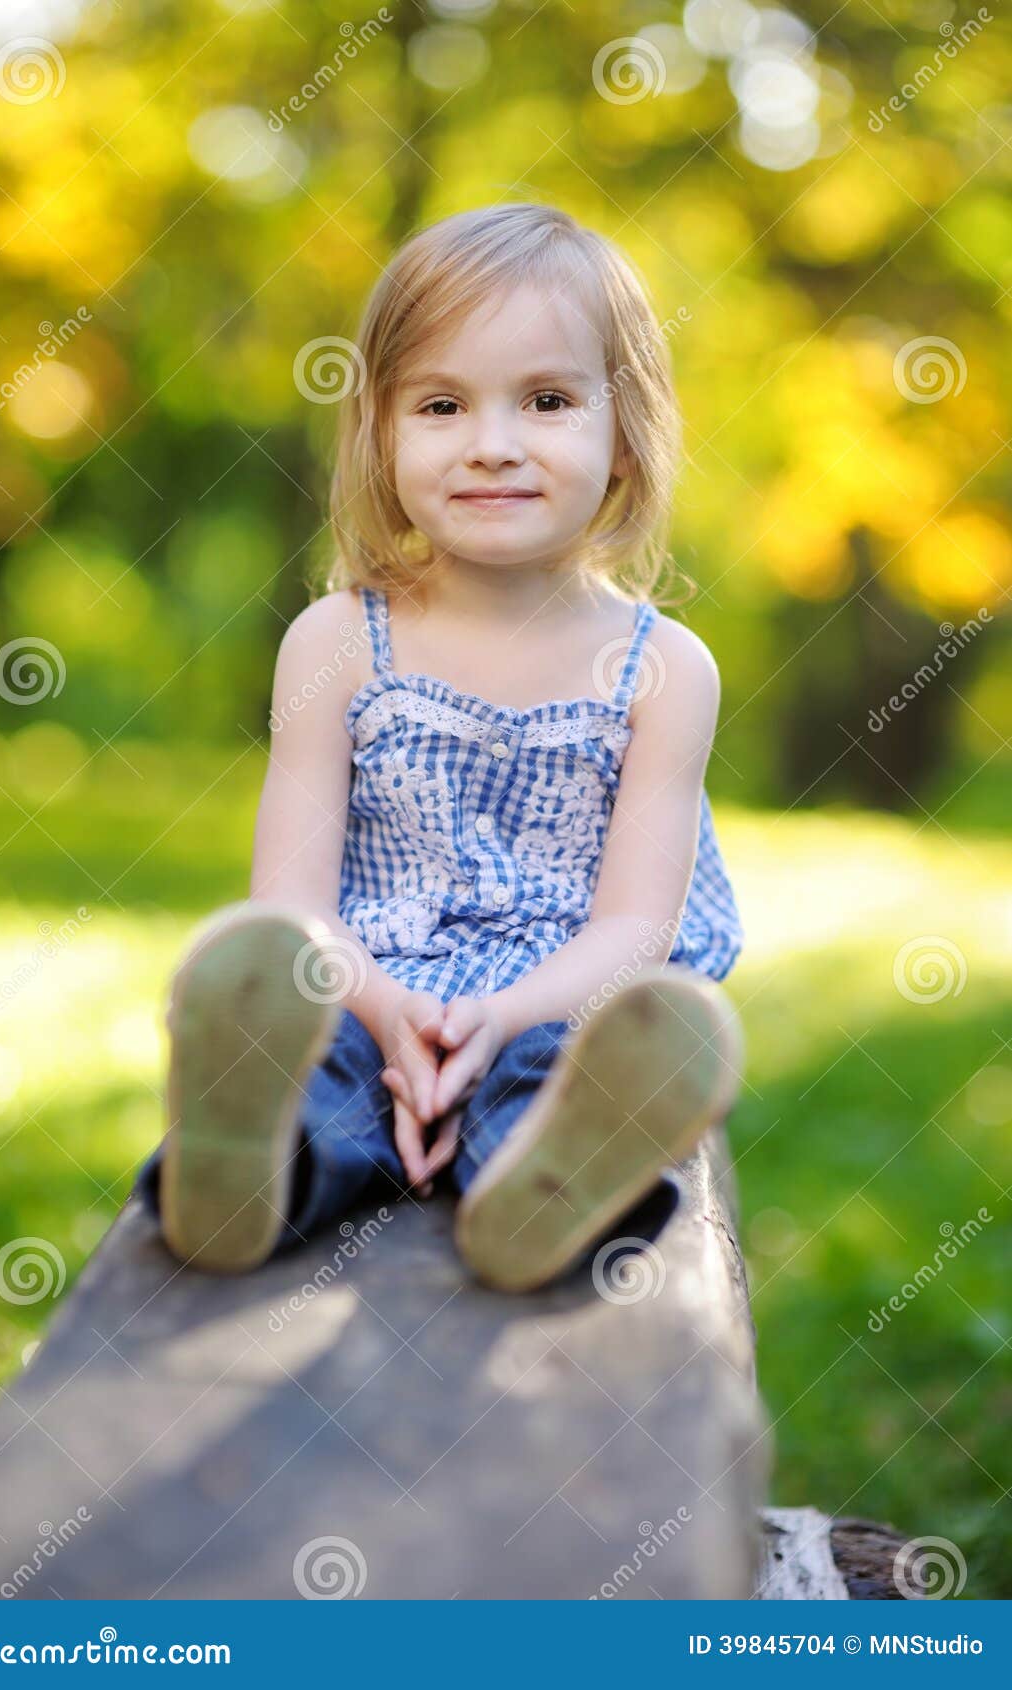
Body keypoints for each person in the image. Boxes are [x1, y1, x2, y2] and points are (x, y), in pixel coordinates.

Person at [132, 201, 746, 1293]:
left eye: (548, 400)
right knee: (316, 1062)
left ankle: (548, 1184)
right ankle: (248, 1171)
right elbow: (293, 911)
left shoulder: (663, 669)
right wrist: (393, 1011)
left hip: (561, 995)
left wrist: (491, 1017)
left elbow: (635, 927)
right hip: (366, 988)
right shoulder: (338, 643)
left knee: (556, 1069)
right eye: (442, 403)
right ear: (381, 431)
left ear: (625, 433)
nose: (492, 443)